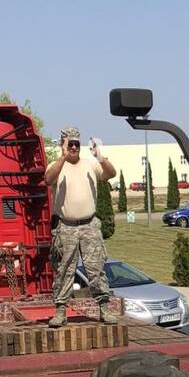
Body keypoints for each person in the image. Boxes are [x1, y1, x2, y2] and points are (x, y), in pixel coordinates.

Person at [45, 126, 119, 326]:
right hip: (66, 226)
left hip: (90, 225)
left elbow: (111, 174)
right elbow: (47, 179)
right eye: (70, 143)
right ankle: (60, 311)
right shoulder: (56, 165)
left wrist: (100, 156)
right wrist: (62, 156)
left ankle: (104, 308)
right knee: (64, 269)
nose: (74, 147)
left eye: (77, 143)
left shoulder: (90, 164)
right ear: (63, 144)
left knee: (96, 269)